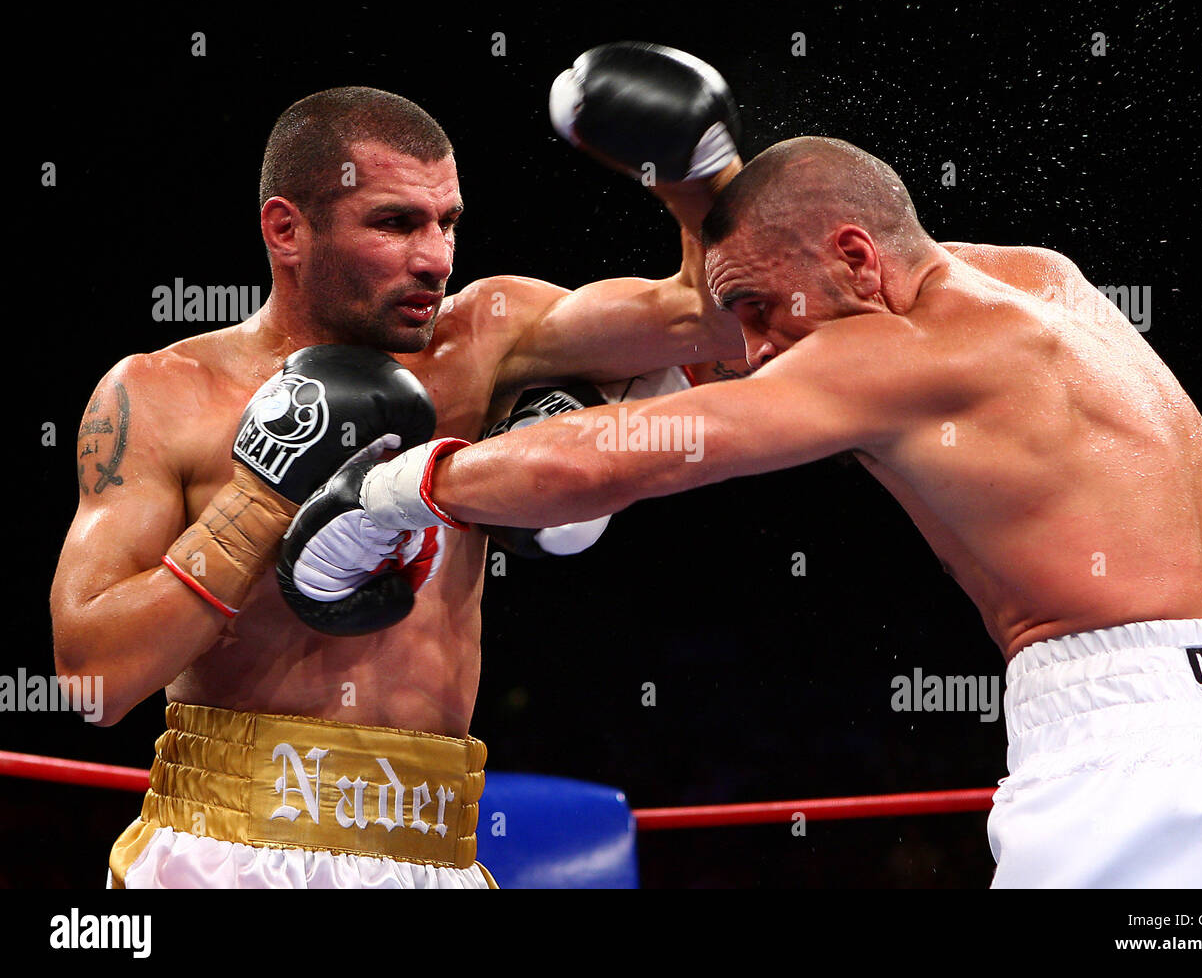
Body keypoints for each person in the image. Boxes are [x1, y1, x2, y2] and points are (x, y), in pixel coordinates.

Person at [318, 135, 1202, 887]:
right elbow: (769, 263)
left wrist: (396, 490)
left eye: (757, 311)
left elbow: (606, 465)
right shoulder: (1039, 281)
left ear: (858, 260)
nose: (751, 349)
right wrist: (697, 211)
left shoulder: (885, 357)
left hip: (1134, 764)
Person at [51, 65, 747, 889]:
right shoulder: (163, 394)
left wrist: (703, 182)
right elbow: (92, 677)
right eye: (396, 223)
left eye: (447, 223)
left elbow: (718, 322)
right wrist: (263, 494)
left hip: (434, 851)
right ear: (286, 230)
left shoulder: (487, 338)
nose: (435, 258)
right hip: (226, 849)